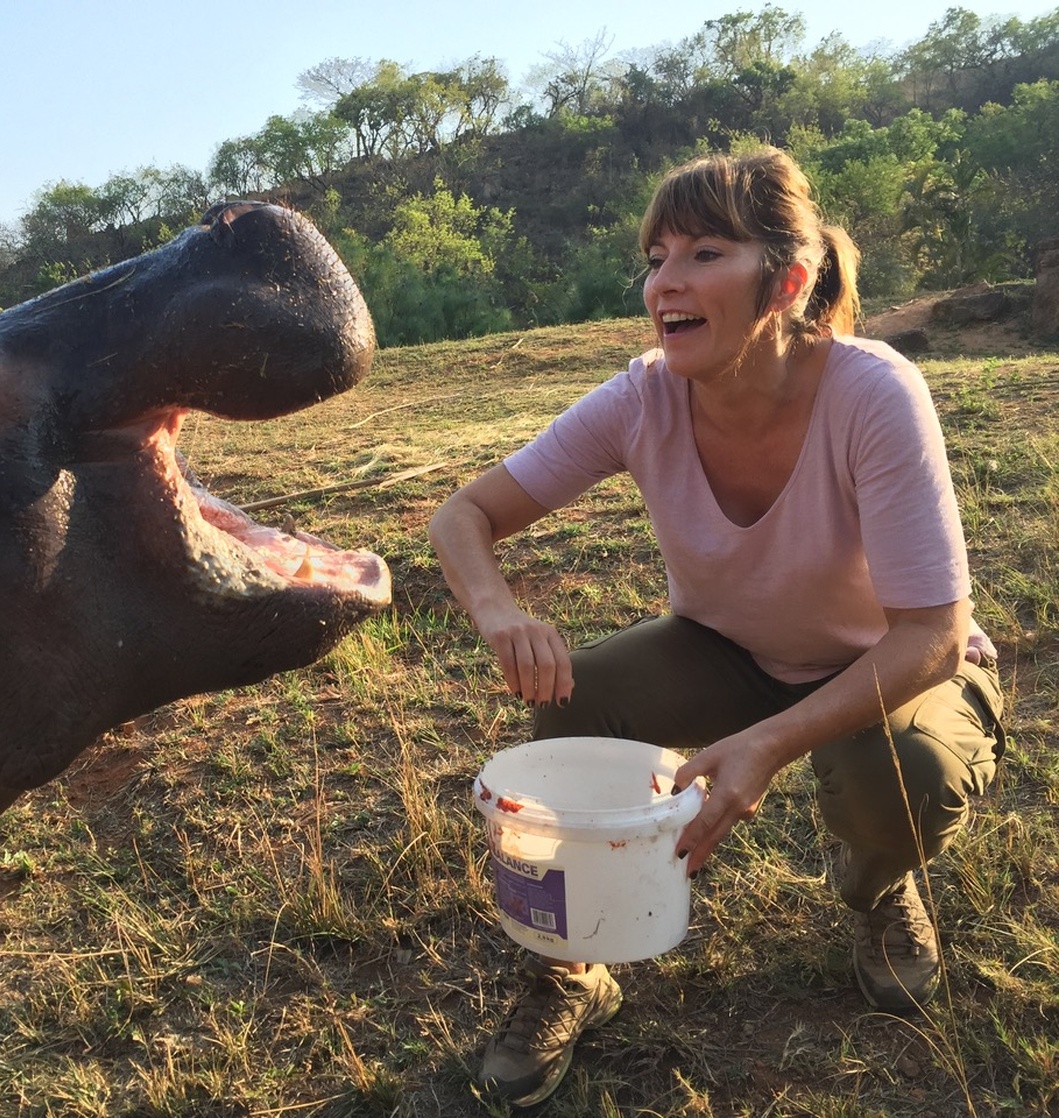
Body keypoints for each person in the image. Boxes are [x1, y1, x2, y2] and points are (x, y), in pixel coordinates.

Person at [427, 146, 1006, 1107]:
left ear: (785, 281)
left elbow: (930, 636)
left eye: (702, 252)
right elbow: (462, 516)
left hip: (884, 666)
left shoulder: (872, 393)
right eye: (656, 257)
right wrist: (497, 610)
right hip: (727, 650)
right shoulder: (643, 395)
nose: (665, 282)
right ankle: (574, 968)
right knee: (583, 702)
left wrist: (767, 746)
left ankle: (875, 886)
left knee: (904, 777)